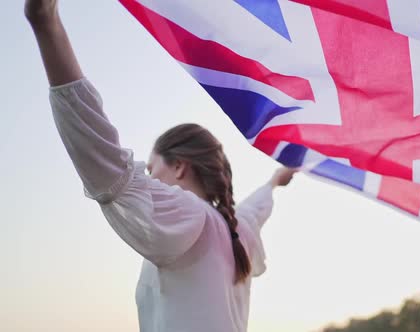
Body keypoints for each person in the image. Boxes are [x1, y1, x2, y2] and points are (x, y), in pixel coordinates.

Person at [25, 1, 297, 331]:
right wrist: (274, 181)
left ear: (180, 166)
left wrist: (47, 26)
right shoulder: (239, 229)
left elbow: (111, 170)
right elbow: (258, 207)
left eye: (153, 169)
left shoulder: (190, 215)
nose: (150, 178)